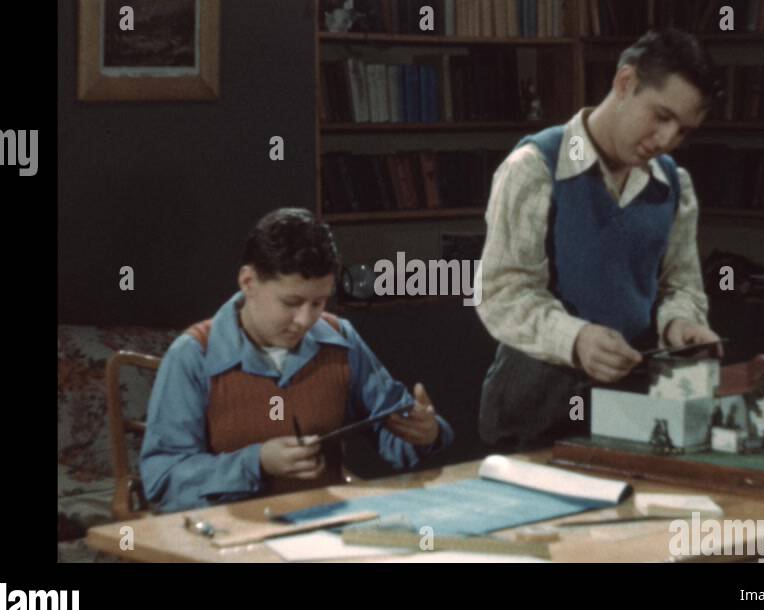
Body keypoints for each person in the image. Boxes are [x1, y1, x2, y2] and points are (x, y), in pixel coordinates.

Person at [475, 29, 724, 451]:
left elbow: (680, 286)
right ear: (625, 83)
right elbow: (501, 292)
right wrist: (575, 339)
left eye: (683, 130)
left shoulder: (674, 185)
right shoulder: (534, 168)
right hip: (534, 410)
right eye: (661, 116)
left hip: (632, 410)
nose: (666, 140)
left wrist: (679, 323)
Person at [140, 207, 454, 512]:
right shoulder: (193, 356)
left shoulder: (339, 338)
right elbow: (162, 479)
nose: (305, 320)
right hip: (226, 541)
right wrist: (257, 462)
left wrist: (425, 433)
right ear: (248, 282)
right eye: (291, 302)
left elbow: (391, 426)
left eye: (318, 302)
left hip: (324, 528)